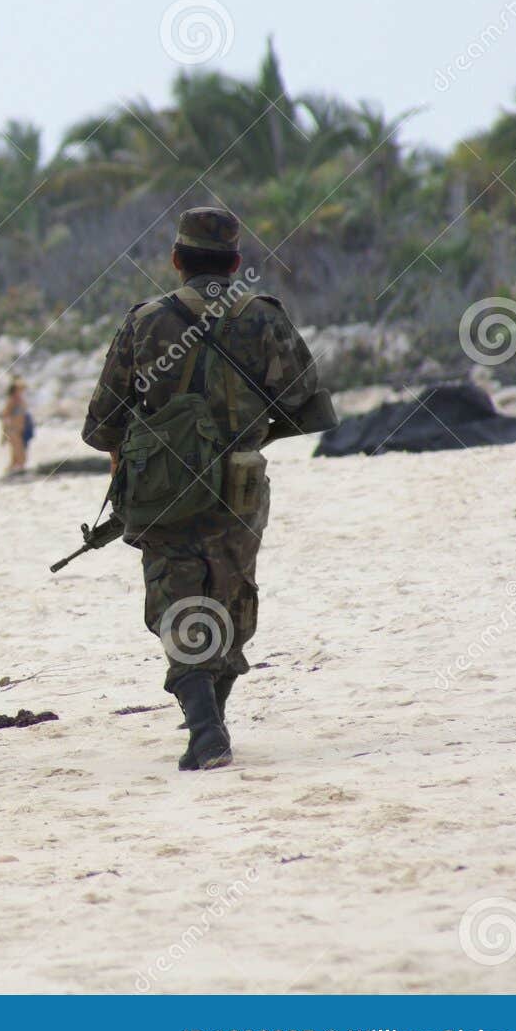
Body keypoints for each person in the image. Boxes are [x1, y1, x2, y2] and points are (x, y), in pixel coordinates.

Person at [81, 208, 319, 772]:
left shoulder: (144, 323)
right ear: (236, 263)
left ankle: (206, 729)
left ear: (176, 260)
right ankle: (212, 722)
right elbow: (306, 404)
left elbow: (101, 425)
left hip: (164, 487)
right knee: (231, 599)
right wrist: (244, 432)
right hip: (240, 483)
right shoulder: (265, 318)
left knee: (177, 603)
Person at [1, 377, 34, 476]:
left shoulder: (20, 400)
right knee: (19, 452)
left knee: (18, 453)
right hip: (14, 430)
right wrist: (5, 431)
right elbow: (5, 416)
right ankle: (16, 471)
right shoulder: (12, 401)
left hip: (22, 430)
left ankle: (12, 471)